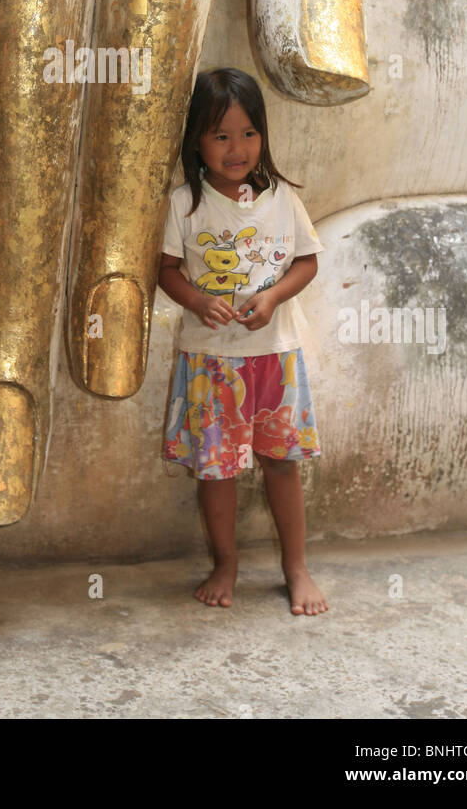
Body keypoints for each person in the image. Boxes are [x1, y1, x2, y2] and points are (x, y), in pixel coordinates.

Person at [158, 66, 329, 615]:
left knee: (282, 464)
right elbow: (166, 270)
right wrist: (196, 300)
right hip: (211, 361)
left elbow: (307, 262)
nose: (237, 148)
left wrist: (274, 296)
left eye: (249, 133)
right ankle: (225, 564)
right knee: (217, 470)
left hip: (276, 358)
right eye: (221, 135)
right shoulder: (184, 204)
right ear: (197, 141)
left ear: (263, 134)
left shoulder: (281, 198)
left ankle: (296, 568)